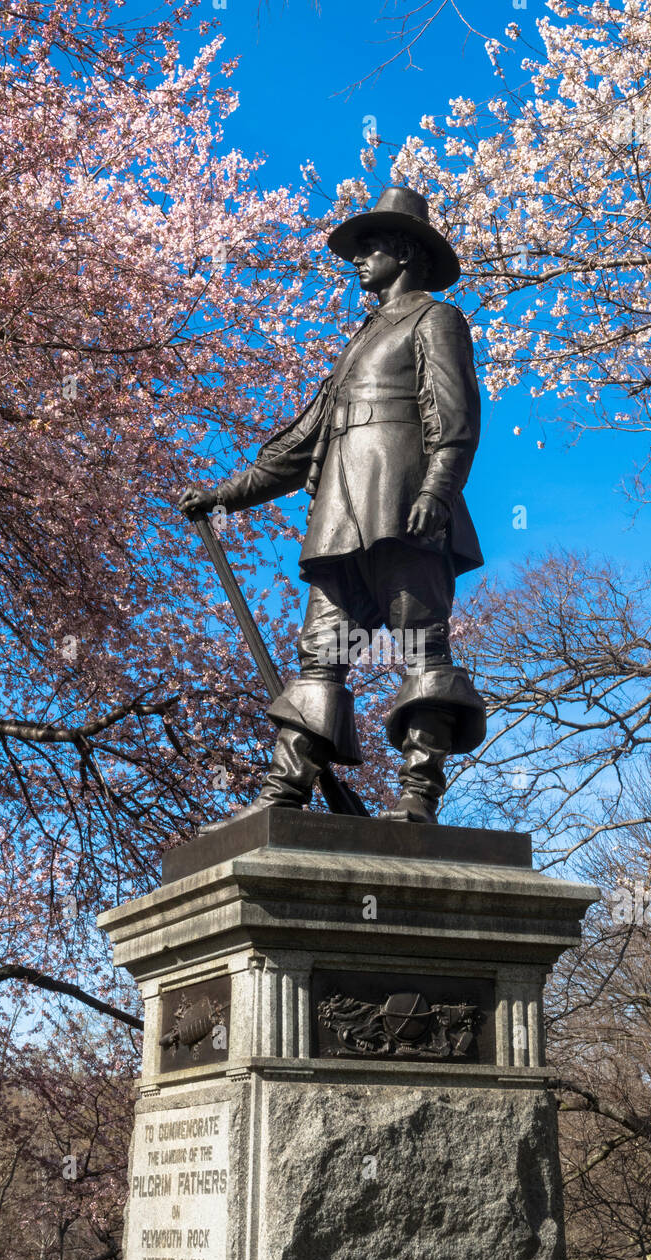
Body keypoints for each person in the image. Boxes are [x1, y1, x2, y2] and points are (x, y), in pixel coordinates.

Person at [179, 185, 486, 825]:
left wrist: (437, 488)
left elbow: (455, 418)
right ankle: (284, 795)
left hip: (405, 509)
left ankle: (417, 796)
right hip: (341, 517)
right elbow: (301, 444)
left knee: (422, 647)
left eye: (369, 247)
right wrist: (224, 496)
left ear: (403, 252)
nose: (356, 260)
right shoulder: (357, 342)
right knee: (321, 653)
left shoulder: (436, 320)